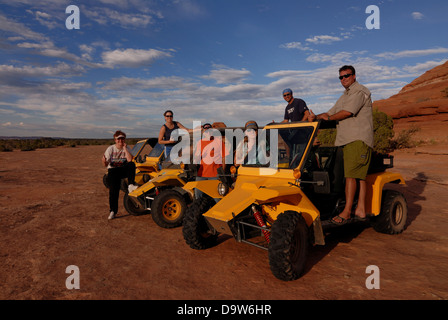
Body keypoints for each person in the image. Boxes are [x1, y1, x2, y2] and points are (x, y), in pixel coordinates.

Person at [308, 65, 374, 225]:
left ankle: (347, 212)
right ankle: (360, 209)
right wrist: (315, 116)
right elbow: (329, 113)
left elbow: (346, 113)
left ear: (354, 75)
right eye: (341, 77)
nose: (344, 79)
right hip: (347, 140)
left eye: (347, 75)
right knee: (358, 176)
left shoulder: (359, 91)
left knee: (351, 176)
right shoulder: (345, 95)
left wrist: (328, 119)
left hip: (357, 139)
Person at [102, 130, 138, 220]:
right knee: (113, 191)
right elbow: (105, 164)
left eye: (122, 139)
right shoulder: (111, 149)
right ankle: (113, 211)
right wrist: (104, 161)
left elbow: (130, 160)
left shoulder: (127, 147)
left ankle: (130, 185)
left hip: (122, 169)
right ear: (115, 140)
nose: (120, 141)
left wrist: (125, 149)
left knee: (131, 165)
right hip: (113, 171)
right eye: (119, 139)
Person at [194, 123, 227, 200]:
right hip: (201, 174)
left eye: (209, 130)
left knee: (217, 198)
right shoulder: (200, 143)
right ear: (203, 132)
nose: (208, 132)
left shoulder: (218, 142)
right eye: (206, 130)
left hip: (215, 175)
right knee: (198, 196)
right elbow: (196, 160)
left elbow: (224, 157)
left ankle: (218, 211)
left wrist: (222, 172)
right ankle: (200, 211)